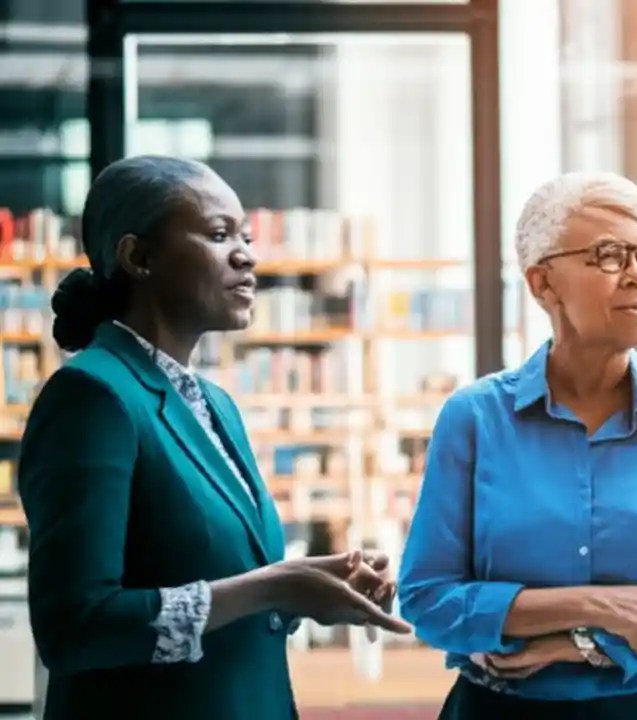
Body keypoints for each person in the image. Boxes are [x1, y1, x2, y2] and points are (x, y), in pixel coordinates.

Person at [19, 155, 413, 720]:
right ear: (138, 256)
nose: (247, 254)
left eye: (247, 236)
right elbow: (74, 627)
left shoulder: (215, 404)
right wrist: (275, 586)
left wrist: (317, 588)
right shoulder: (92, 396)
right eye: (219, 234)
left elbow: (222, 587)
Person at [398, 171, 637, 719]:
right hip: (499, 708)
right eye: (608, 256)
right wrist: (602, 606)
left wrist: (578, 642)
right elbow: (428, 599)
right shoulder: (475, 418)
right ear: (543, 284)